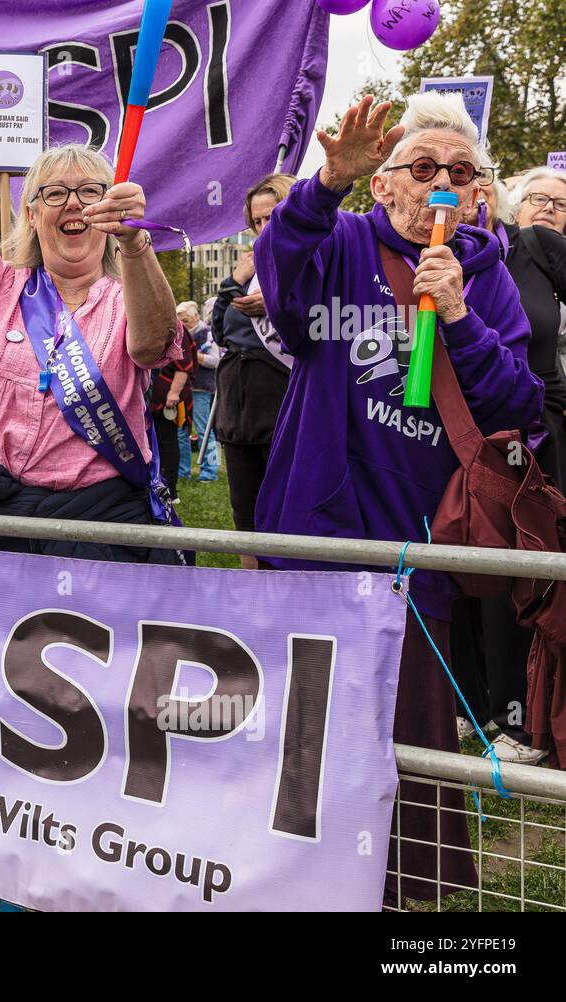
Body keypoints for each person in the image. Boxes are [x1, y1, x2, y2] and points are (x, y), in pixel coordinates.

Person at [254, 92, 543, 900]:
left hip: (423, 549)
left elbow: (516, 406)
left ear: (478, 194)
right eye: (421, 168)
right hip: (321, 535)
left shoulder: (486, 278)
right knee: (303, 735)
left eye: (459, 170)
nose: (440, 182)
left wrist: (457, 316)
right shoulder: (341, 240)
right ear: (384, 186)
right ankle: (294, 883)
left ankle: (397, 893)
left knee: (405, 743)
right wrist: (321, 188)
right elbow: (283, 290)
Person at [0, 0, 183, 563]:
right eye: (54, 194)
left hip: (98, 523)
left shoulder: (125, 292)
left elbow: (154, 345)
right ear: (32, 215)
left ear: (110, 209)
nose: (72, 203)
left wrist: (135, 243)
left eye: (89, 192)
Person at [449, 172, 566, 764]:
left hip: (539, 430)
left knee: (524, 571)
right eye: (538, 199)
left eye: (559, 202)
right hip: (463, 428)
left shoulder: (539, 248)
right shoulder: (457, 254)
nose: (546, 209)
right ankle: (475, 705)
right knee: (462, 564)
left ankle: (523, 720)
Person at [212, 174, 296, 567]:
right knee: (245, 517)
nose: (263, 228)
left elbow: (331, 328)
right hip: (238, 411)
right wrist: (234, 282)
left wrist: (278, 308)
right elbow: (219, 330)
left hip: (284, 408)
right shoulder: (250, 270)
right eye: (257, 220)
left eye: (272, 216)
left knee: (288, 518)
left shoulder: (319, 259)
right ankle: (252, 602)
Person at [176, 301, 220, 482]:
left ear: (196, 316)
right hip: (182, 388)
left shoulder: (207, 333)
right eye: (180, 322)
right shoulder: (179, 336)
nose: (183, 325)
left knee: (204, 430)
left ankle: (210, 472)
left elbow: (215, 361)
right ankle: (183, 470)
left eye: (186, 320)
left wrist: (194, 356)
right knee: (181, 431)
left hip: (201, 387)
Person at [149, 333, 193, 501]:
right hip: (147, 400)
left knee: (166, 444)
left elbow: (183, 366)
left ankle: (170, 491)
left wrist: (173, 393)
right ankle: (153, 486)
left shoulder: (175, 328)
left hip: (166, 401)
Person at [512, 167, 566, 236]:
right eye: (540, 199)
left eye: (561, 204)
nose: (549, 207)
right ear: (517, 211)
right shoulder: (496, 246)